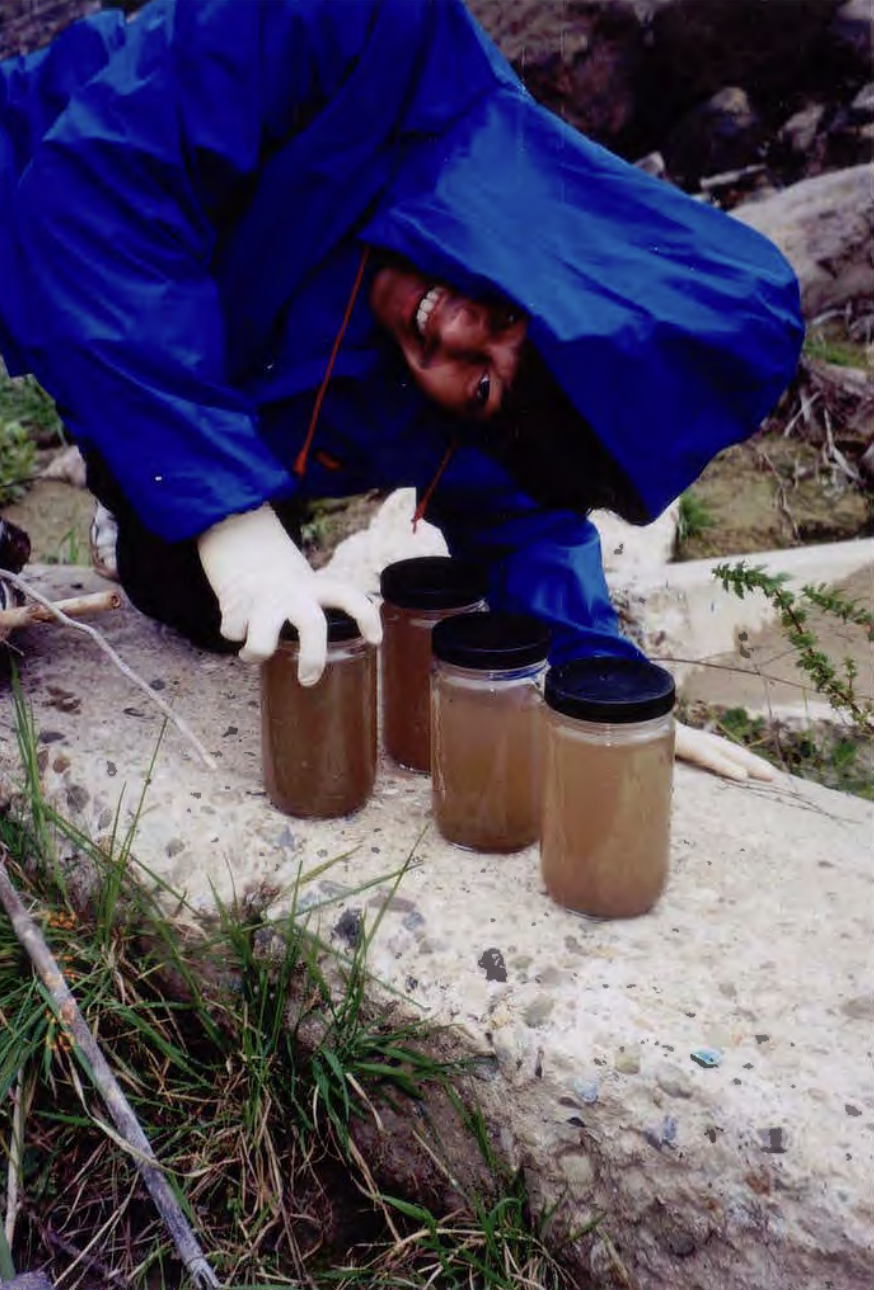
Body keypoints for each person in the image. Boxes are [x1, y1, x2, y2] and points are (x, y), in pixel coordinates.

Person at [0, 0, 804, 780]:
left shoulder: (468, 417)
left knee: (214, 609)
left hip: (204, 369)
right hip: (31, 176)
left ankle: (144, 471)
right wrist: (232, 524)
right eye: (504, 310)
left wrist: (599, 696)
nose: (452, 336)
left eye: (484, 385)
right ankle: (175, 462)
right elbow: (86, 204)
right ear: (544, 248)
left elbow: (526, 523)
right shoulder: (367, 27)